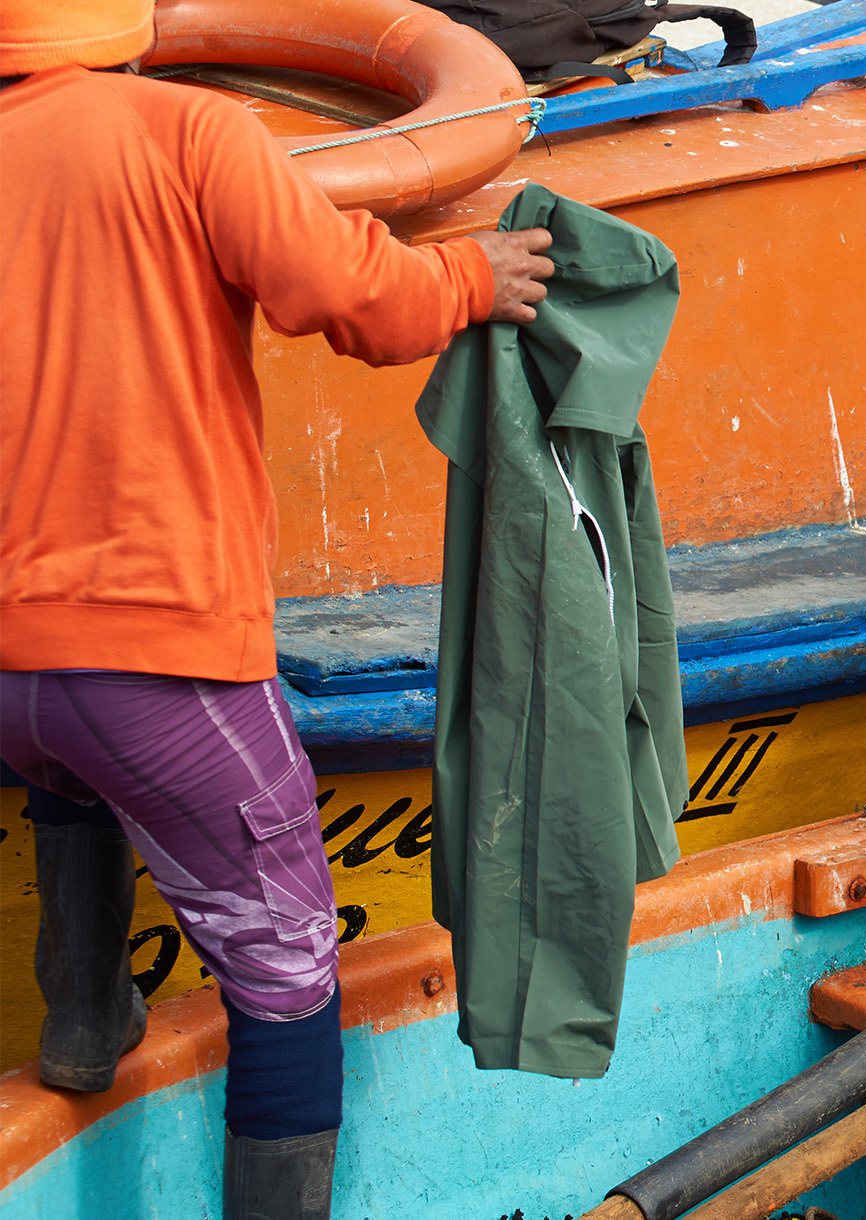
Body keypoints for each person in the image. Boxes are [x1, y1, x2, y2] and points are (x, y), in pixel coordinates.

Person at [0, 4, 552, 1216]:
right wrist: (466, 274)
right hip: (158, 646)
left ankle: (86, 1026)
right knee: (286, 952)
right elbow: (350, 298)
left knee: (68, 759)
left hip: (11, 668)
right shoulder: (188, 128)